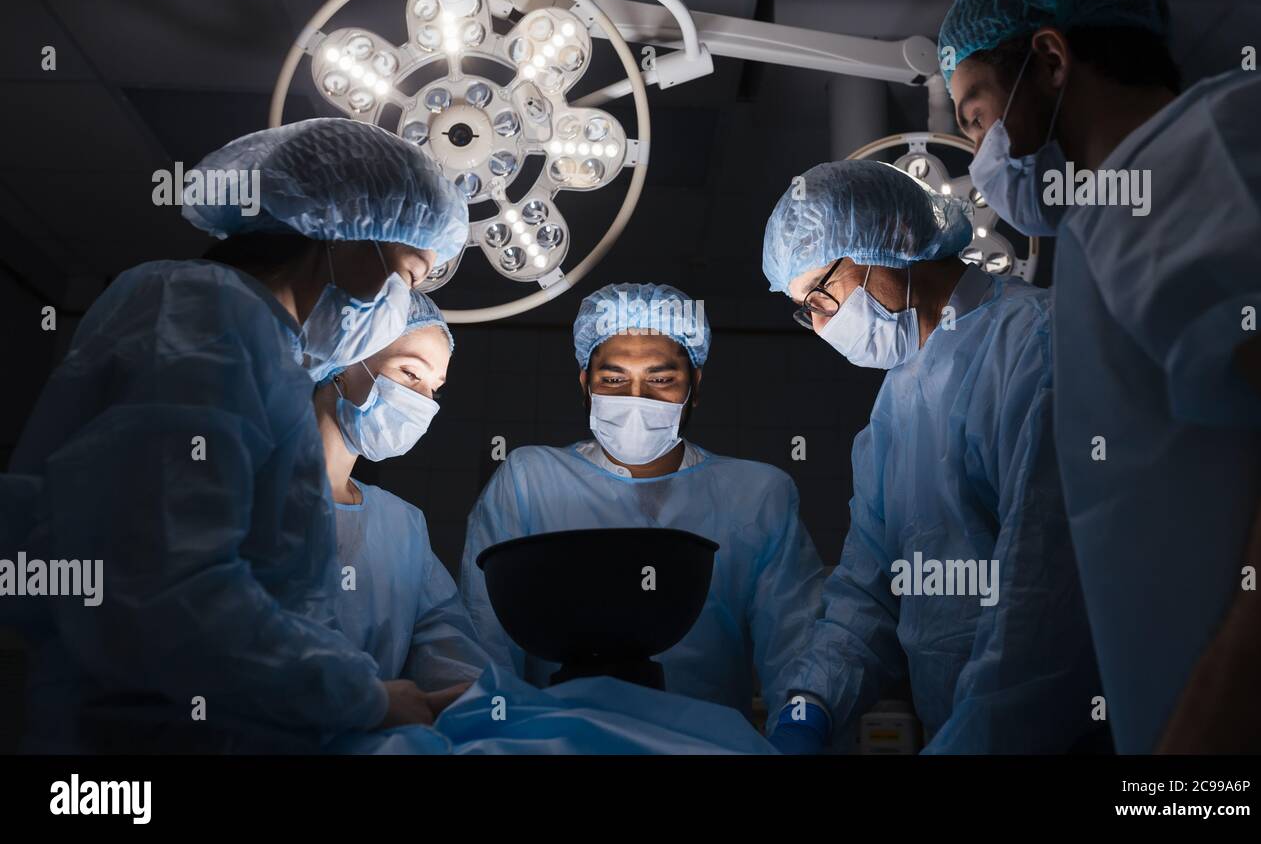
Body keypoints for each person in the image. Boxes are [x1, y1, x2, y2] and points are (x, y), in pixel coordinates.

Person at [2, 118, 470, 752]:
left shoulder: (265, 348)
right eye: (410, 275)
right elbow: (166, 595)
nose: (399, 300)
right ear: (351, 235)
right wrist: (365, 698)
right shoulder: (201, 312)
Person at [939, 0, 1261, 753]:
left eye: (977, 114)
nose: (981, 155)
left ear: (1052, 60)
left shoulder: (1188, 158)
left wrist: (1203, 748)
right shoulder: (1114, 226)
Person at [762, 159, 1103, 754]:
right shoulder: (896, 404)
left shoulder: (1035, 344)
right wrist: (809, 702)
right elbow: (869, 592)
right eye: (803, 309)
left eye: (820, 293)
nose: (818, 325)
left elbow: (1044, 599)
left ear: (889, 244)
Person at [459, 282, 824, 731]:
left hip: (702, 745)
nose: (637, 399)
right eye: (613, 380)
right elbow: (486, 643)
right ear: (584, 382)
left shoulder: (756, 495)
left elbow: (798, 645)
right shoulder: (530, 480)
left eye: (661, 379)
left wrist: (802, 723)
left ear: (695, 383)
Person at [315, 289, 490, 691]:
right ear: (342, 356)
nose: (423, 402)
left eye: (435, 388)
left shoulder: (402, 525)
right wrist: (363, 704)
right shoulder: (249, 496)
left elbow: (449, 655)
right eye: (410, 373)